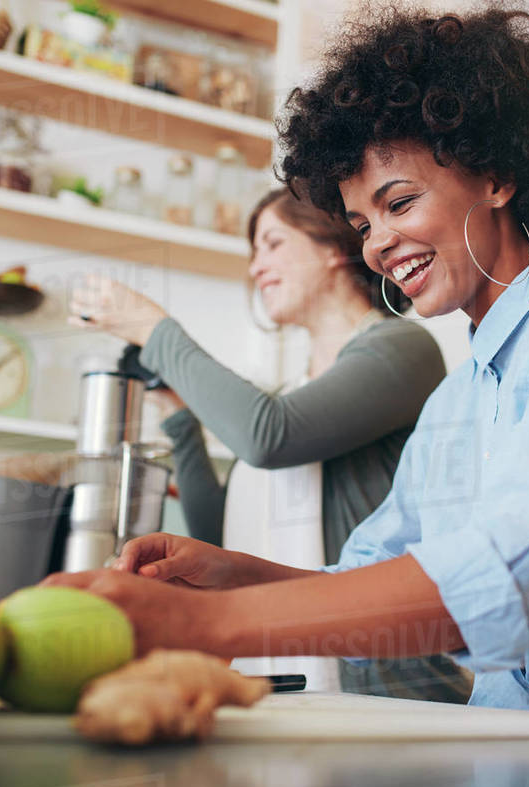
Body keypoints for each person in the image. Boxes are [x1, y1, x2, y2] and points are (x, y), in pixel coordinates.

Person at [50, 6, 529, 732]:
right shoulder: (456, 398)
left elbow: (511, 577)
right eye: (363, 224)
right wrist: (232, 575)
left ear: (496, 175)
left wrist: (206, 624)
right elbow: (372, 585)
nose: (377, 246)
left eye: (398, 202)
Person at [68, 188, 471, 703]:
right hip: (296, 689)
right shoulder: (287, 398)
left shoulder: (400, 348)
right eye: (254, 254)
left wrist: (153, 329)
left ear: (332, 246)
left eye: (273, 244)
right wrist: (179, 420)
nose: (257, 268)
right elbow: (220, 538)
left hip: (393, 689)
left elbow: (268, 436)